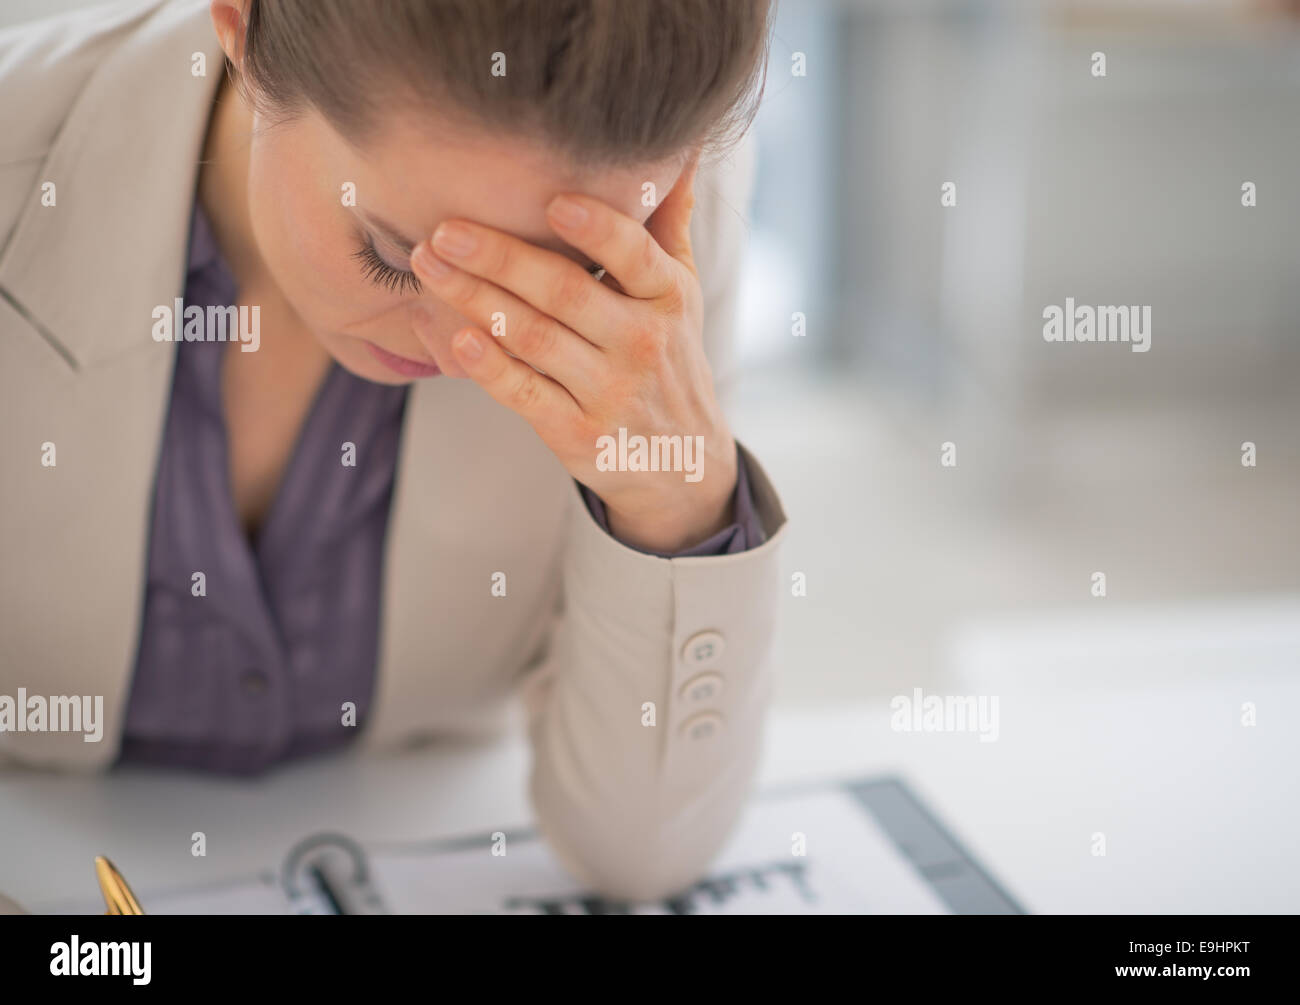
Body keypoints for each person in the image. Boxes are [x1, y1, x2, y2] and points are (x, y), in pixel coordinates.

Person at [0, 0, 787, 901]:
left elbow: (642, 858)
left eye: (556, 287)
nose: (464, 347)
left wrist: (680, 506)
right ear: (243, 28)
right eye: (390, 256)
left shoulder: (665, 237)